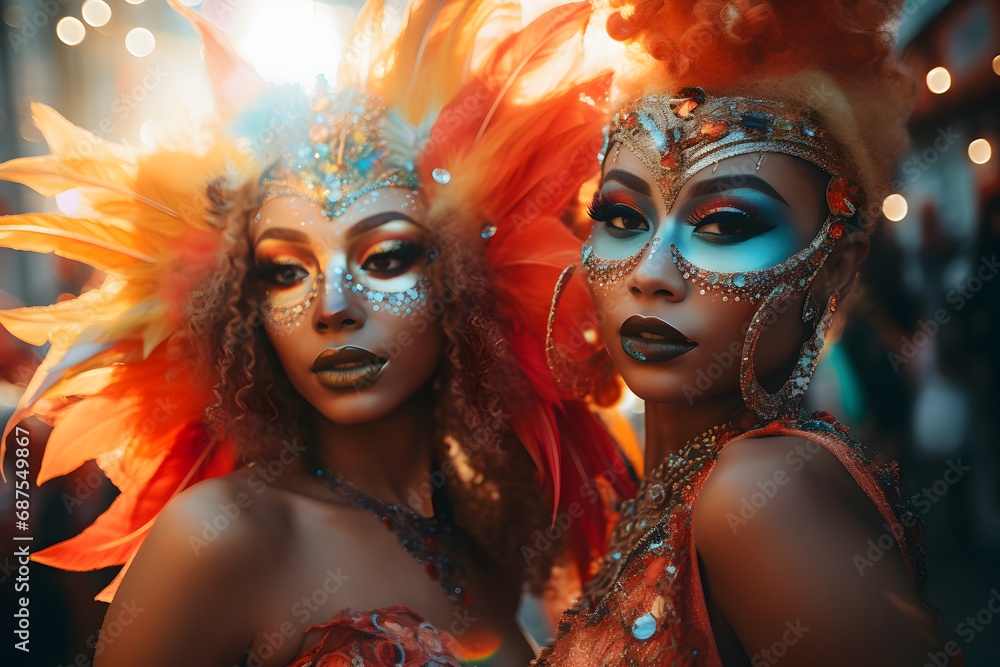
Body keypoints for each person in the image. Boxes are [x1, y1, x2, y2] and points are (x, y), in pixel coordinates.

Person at [0, 1, 634, 665]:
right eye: (284, 270)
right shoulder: (222, 536)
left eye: (385, 258)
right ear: (242, 309)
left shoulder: (478, 537)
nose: (332, 305)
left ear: (466, 283)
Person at [537, 0, 960, 664]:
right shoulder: (678, 488)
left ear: (836, 266)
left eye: (725, 225)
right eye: (621, 215)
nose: (652, 272)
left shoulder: (755, 495)